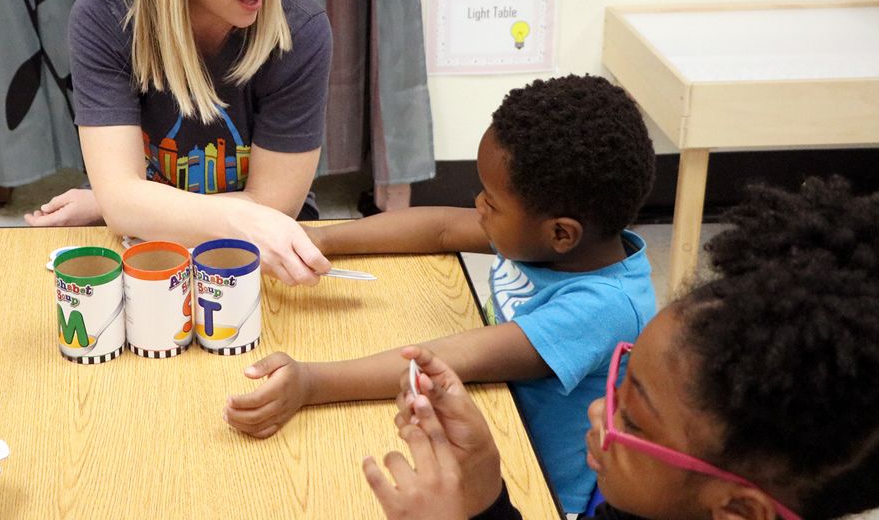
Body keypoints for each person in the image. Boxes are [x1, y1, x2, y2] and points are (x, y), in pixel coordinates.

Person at [225, 75, 658, 512]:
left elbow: (456, 357)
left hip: (539, 488)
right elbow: (440, 227)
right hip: (491, 426)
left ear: (561, 232)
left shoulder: (603, 307)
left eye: (491, 201)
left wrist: (311, 383)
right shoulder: (553, 239)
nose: (478, 205)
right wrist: (322, 240)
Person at [366, 176, 879, 520]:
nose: (597, 408)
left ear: (739, 511)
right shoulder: (648, 504)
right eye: (624, 378)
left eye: (631, 420)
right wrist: (484, 492)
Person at [25, 0, 333, 287]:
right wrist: (118, 202)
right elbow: (127, 202)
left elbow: (270, 214)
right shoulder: (104, 17)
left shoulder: (300, 30)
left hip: (259, 257)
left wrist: (123, 203)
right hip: (149, 241)